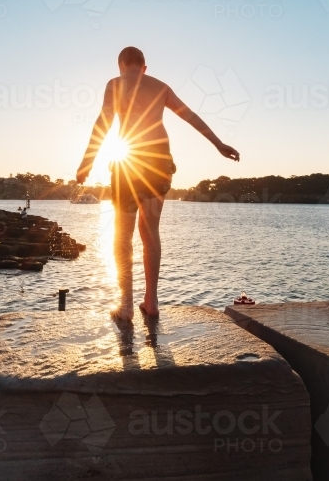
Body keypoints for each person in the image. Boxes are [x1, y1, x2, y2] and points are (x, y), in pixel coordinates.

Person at [76, 47, 239, 320]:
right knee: (150, 232)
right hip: (158, 163)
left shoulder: (114, 84)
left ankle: (126, 305)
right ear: (144, 67)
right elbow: (190, 117)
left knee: (123, 233)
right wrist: (218, 144)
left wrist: (87, 161)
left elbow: (103, 123)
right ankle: (151, 302)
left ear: (121, 65)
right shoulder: (161, 87)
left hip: (128, 163)